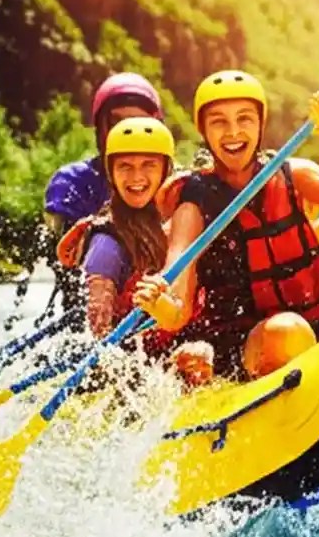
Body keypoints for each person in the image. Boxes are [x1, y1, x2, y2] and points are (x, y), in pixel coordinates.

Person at [132, 69, 319, 382]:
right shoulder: (194, 203)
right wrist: (160, 304)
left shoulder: (294, 175)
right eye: (219, 121)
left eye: (244, 118)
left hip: (314, 325)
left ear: (260, 125)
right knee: (287, 332)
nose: (233, 132)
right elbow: (177, 307)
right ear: (203, 130)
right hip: (242, 346)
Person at [54, 116, 214, 389]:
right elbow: (99, 328)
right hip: (139, 368)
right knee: (193, 356)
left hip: (185, 342)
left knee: (199, 353)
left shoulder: (177, 212)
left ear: (166, 169)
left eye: (148, 165)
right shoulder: (107, 241)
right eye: (125, 166)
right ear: (112, 174)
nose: (136, 177)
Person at [42, 73, 166, 319]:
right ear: (100, 128)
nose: (130, 132)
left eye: (140, 123)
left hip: (155, 309)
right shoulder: (71, 181)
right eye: (117, 123)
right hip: (87, 309)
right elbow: (65, 253)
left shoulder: (170, 185)